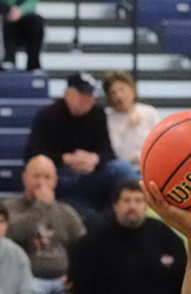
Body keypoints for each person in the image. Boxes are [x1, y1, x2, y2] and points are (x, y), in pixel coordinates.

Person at [23, 72, 136, 213]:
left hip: (92, 173)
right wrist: (66, 159)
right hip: (61, 175)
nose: (88, 100)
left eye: (90, 96)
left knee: (122, 169)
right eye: (83, 95)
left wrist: (95, 159)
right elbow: (33, 153)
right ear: (68, 94)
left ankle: (130, 210)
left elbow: (108, 153)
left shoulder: (97, 114)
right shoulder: (48, 115)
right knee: (51, 178)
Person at [4, 155, 86, 294]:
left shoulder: (66, 212)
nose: (41, 183)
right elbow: (10, 235)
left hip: (62, 281)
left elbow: (83, 248)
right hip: (26, 281)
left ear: (55, 181)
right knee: (31, 293)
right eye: (36, 177)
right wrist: (40, 207)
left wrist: (73, 276)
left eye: (47, 177)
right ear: (25, 178)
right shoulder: (9, 209)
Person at [104, 71, 160, 168]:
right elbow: (118, 153)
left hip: (151, 163)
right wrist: (130, 128)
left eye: (122, 90)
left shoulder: (149, 112)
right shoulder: (108, 118)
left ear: (132, 89)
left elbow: (160, 143)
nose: (119, 96)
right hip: (126, 168)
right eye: (113, 93)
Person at [0, 0, 45, 71]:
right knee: (2, 19)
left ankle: (33, 64)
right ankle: (8, 59)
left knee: (36, 22)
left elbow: (31, 3)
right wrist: (9, 9)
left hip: (21, 17)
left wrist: (21, 10)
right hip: (0, 13)